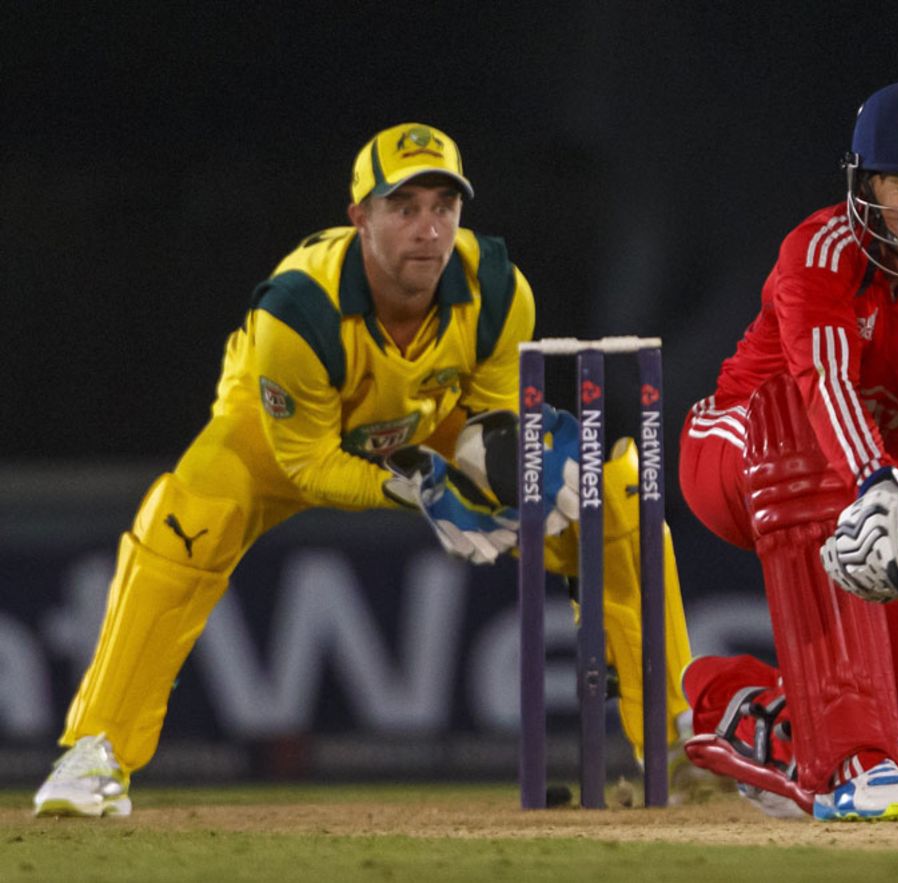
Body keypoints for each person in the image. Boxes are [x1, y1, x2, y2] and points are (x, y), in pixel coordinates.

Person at [34, 122, 694, 817]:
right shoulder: (298, 309)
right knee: (185, 518)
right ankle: (94, 749)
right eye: (403, 207)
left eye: (443, 206)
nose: (428, 229)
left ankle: (679, 742)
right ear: (359, 218)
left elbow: (492, 424)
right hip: (280, 432)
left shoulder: (499, 291)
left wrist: (506, 471)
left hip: (424, 421)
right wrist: (422, 488)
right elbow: (309, 462)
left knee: (611, 494)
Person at [677, 81, 898, 821]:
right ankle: (841, 762)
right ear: (867, 182)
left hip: (873, 486)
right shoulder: (819, 250)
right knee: (802, 435)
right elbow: (820, 380)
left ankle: (734, 706)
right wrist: (877, 488)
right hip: (738, 449)